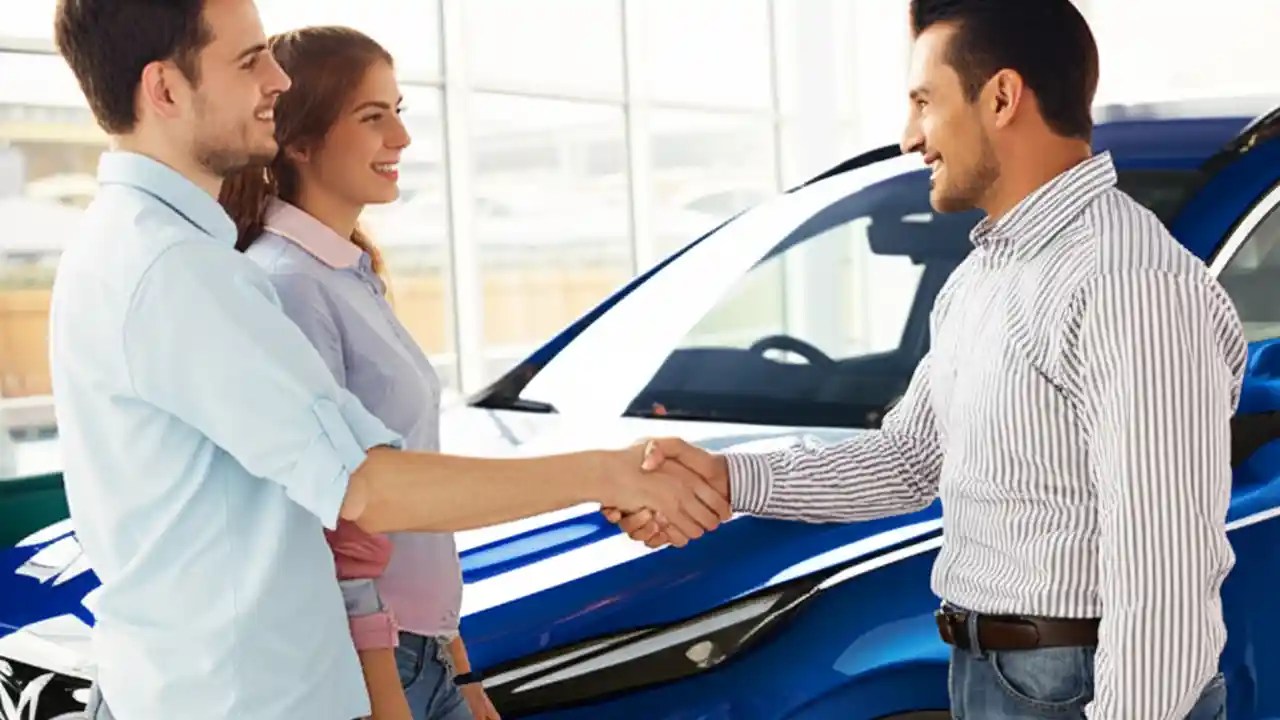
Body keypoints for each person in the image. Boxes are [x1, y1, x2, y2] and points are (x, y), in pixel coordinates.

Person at [49, 1, 727, 719]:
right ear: (164, 90)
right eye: (248, 61)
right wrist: (607, 472)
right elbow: (362, 488)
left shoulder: (138, 246)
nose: (276, 79)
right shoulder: (182, 270)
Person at [611, 1, 1246, 718]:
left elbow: (1165, 571)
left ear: (1002, 97)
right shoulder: (982, 280)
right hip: (996, 676)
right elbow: (910, 460)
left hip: (1086, 686)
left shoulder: (1130, 284)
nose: (911, 136)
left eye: (923, 101)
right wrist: (726, 478)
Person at [216, 26, 489, 720]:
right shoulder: (289, 287)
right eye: (373, 117)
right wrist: (388, 699)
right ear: (299, 141)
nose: (400, 138)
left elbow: (415, 494)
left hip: (422, 650)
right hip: (371, 662)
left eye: (399, 111)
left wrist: (460, 670)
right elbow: (335, 528)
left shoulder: (346, 272)